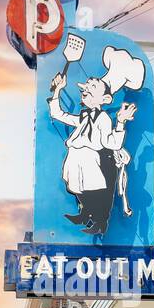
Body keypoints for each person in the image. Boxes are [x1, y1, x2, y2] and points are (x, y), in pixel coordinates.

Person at [47, 45, 144, 235]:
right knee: (75, 186)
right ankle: (84, 214)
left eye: (92, 88)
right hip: (75, 158)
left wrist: (121, 122)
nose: (86, 91)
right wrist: (57, 91)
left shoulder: (103, 118)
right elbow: (58, 114)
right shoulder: (83, 117)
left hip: (92, 159)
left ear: (106, 99)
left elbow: (112, 143)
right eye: (86, 89)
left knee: (95, 191)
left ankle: (100, 222)